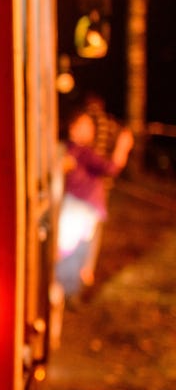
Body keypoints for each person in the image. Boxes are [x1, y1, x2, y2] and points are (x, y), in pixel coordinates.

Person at [56, 100, 134, 300]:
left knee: (75, 254)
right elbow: (111, 168)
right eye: (85, 125)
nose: (90, 129)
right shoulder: (81, 151)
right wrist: (123, 147)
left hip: (80, 208)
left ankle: (68, 292)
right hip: (80, 209)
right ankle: (68, 294)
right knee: (73, 254)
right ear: (74, 128)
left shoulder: (68, 150)